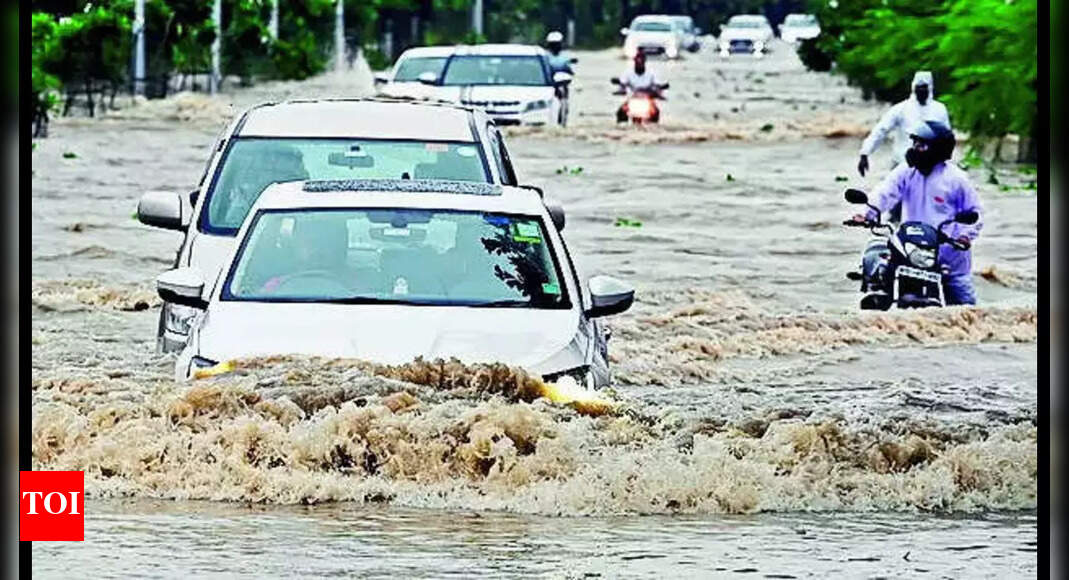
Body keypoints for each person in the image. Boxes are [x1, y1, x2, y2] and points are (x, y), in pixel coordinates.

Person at [851, 120, 983, 305]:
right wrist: (866, 214)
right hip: (910, 249)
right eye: (914, 143)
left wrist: (964, 236)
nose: (914, 148)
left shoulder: (956, 179)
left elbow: (975, 213)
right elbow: (884, 192)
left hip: (947, 253)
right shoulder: (906, 171)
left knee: (965, 305)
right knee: (879, 275)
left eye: (921, 145)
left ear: (937, 148)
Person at [857, 71, 950, 223]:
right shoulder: (901, 109)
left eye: (924, 88)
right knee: (895, 206)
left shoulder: (939, 110)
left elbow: (946, 137)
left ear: (930, 88)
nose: (921, 91)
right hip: (902, 164)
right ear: (913, 88)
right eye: (919, 87)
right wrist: (865, 152)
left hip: (931, 168)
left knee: (932, 206)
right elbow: (881, 130)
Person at [615, 53, 666, 123]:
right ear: (634, 62)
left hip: (648, 99)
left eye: (641, 62)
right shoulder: (628, 73)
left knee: (655, 112)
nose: (639, 64)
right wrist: (620, 90)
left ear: (644, 62)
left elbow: (658, 85)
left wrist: (659, 91)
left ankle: (654, 128)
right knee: (621, 111)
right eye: (637, 62)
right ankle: (621, 128)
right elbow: (622, 84)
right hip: (632, 98)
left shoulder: (651, 74)